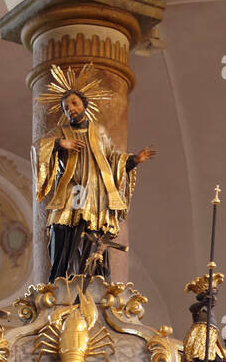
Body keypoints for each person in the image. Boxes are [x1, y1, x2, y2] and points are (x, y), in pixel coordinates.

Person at [33, 64, 155, 282]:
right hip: (69, 194)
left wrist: (134, 160)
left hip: (94, 196)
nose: (70, 109)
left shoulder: (98, 132)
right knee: (60, 232)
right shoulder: (60, 133)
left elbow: (112, 159)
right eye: (66, 107)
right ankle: (58, 282)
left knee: (90, 240)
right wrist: (61, 143)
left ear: (84, 105)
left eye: (74, 103)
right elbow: (38, 148)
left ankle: (91, 282)